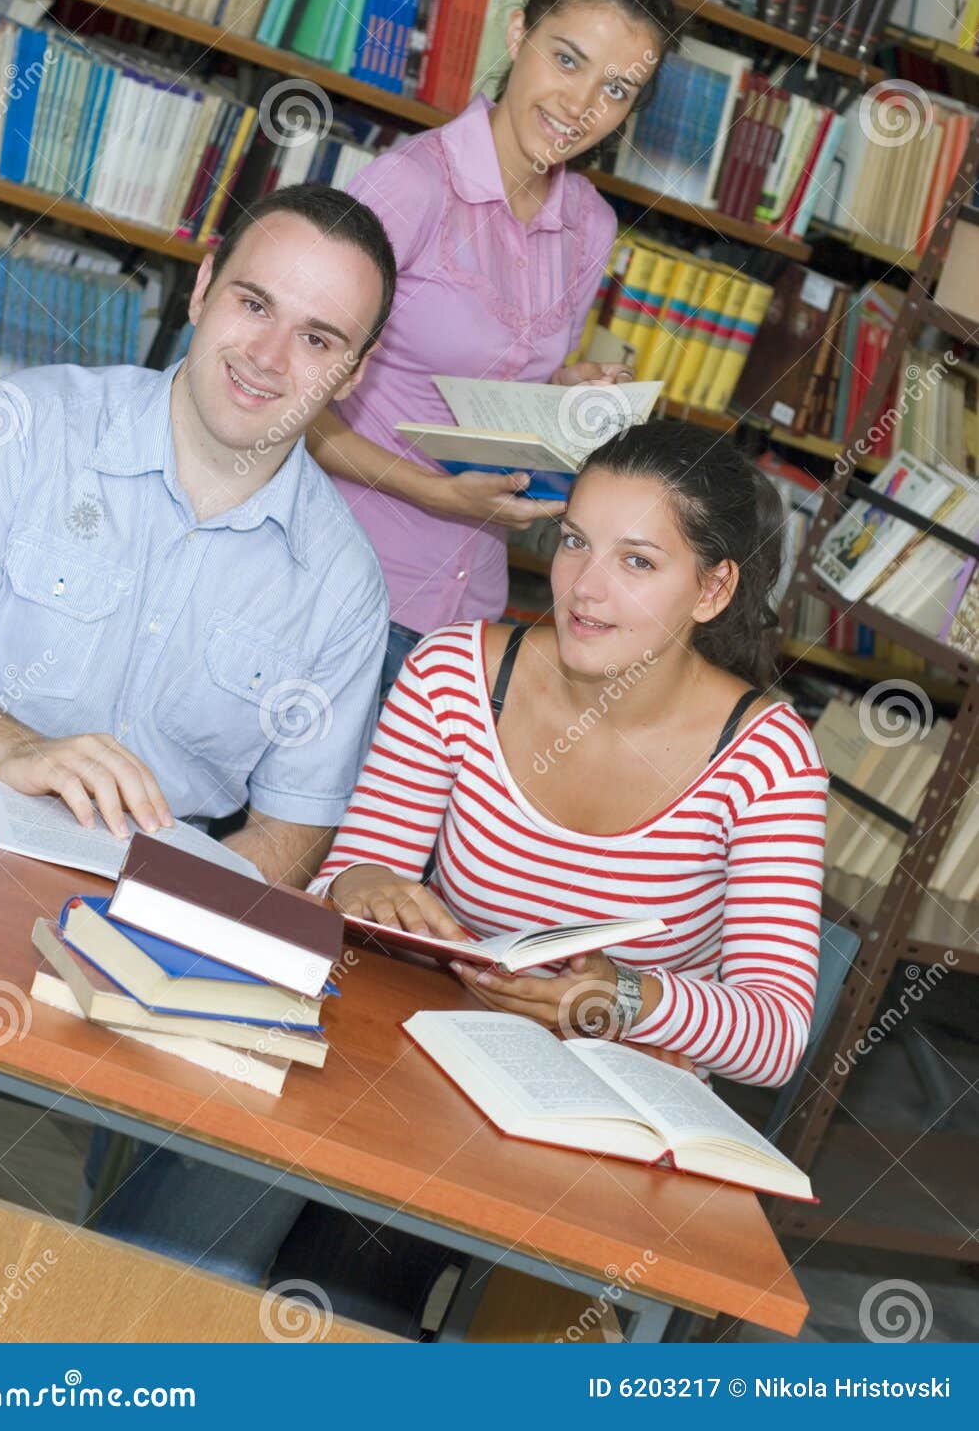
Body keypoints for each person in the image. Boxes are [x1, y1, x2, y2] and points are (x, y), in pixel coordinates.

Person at [0, 184, 393, 1262]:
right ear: (203, 282)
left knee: (236, 1193)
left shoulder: (343, 585)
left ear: (352, 376)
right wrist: (10, 747)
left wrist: (166, 943)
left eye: (317, 338)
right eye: (253, 305)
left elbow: (292, 830)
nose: (269, 357)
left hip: (151, 927)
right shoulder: (30, 423)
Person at [313, 420, 829, 1090]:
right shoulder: (452, 676)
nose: (585, 586)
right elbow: (345, 879)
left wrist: (620, 1000)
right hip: (425, 1054)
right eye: (574, 543)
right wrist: (356, 884)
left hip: (612, 1105)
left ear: (712, 590)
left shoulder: (769, 761)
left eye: (636, 560)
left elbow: (775, 1038)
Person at [308, 0, 678, 699]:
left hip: (466, 616)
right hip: (335, 580)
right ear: (517, 36)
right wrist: (431, 493)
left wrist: (568, 394)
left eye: (615, 89)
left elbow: (501, 391)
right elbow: (290, 404)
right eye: (566, 60)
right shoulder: (411, 187)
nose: (579, 107)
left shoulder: (590, 226)